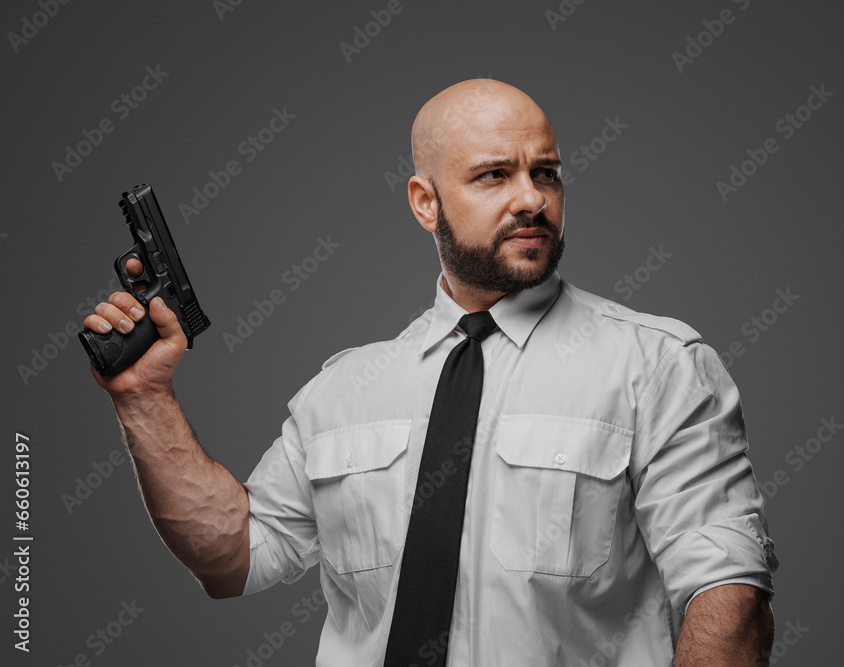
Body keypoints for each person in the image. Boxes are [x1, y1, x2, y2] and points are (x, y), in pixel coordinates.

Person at [83, 79, 778, 666]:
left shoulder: (656, 366)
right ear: (424, 202)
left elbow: (728, 594)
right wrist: (146, 397)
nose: (531, 197)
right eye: (493, 175)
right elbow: (233, 555)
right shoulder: (342, 390)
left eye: (547, 172)